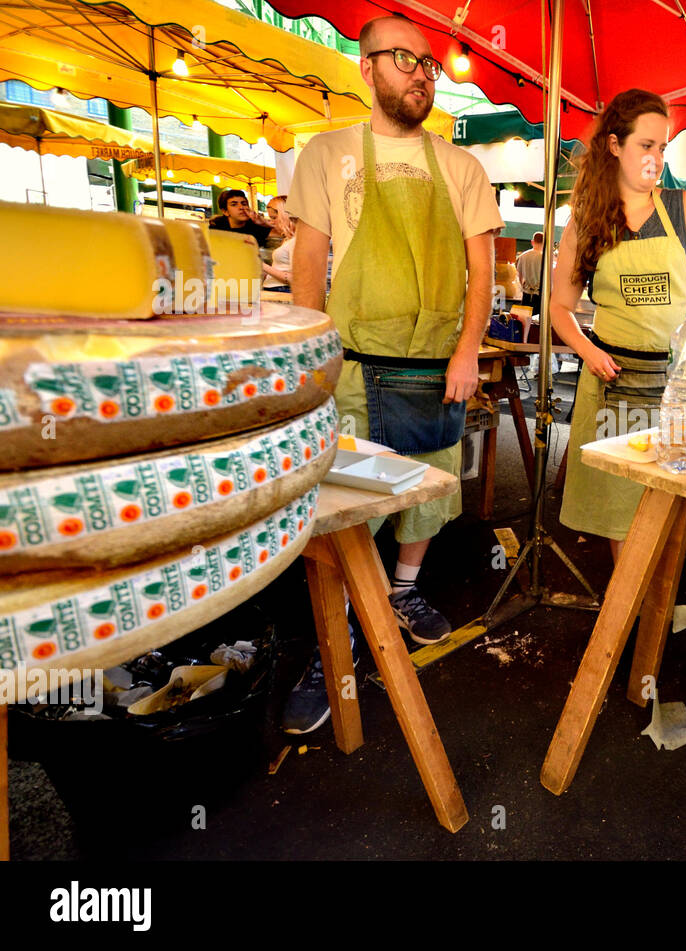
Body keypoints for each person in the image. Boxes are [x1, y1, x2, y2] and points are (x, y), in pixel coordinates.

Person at [283, 14, 502, 733]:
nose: (420, 73)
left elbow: (483, 270)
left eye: (430, 64)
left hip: (437, 364)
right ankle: (336, 638)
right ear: (366, 66)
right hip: (349, 365)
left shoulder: (462, 167)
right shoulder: (327, 155)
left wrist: (469, 348)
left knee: (425, 495)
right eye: (403, 58)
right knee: (345, 512)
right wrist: (302, 365)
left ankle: (404, 590)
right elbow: (309, 270)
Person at [552, 89, 686, 561]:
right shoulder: (586, 220)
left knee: (672, 512)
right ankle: (630, 610)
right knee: (620, 510)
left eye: (663, 147)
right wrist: (588, 351)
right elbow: (558, 307)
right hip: (613, 385)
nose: (657, 157)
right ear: (614, 145)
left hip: (681, 387)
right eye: (645, 146)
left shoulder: (684, 208)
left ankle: (656, 611)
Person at [262, 195, 295, 292]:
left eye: (274, 218)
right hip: (276, 289)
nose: (271, 222)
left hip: (282, 290)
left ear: (285, 215)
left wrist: (263, 266)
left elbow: (295, 279)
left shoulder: (296, 240)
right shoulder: (288, 239)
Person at [517, 231, 545, 314]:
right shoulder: (544, 258)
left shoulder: (523, 256)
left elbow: (520, 275)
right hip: (540, 294)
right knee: (536, 323)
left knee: (524, 319)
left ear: (532, 242)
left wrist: (523, 286)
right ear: (544, 243)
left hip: (526, 293)